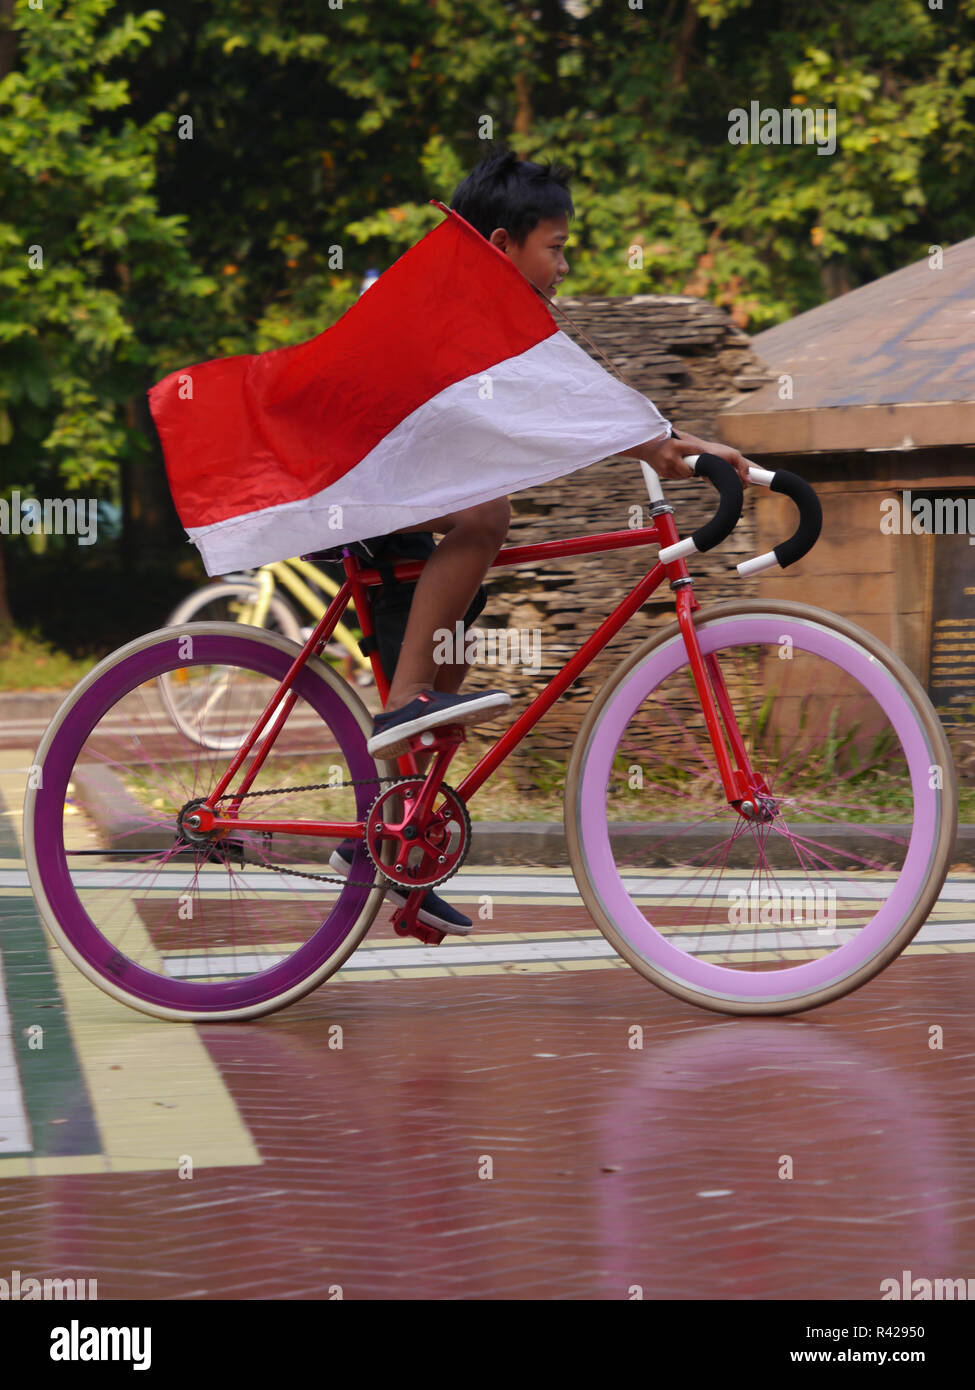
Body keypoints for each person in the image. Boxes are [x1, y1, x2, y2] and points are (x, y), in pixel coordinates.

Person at [330, 147, 756, 934]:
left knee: (446, 647)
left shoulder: (501, 312)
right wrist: (664, 447)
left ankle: (386, 843)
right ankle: (398, 712)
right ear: (500, 246)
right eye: (554, 248)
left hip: (387, 487)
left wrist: (673, 442)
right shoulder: (454, 299)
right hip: (344, 477)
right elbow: (555, 406)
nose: (563, 265)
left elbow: (582, 393)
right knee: (486, 517)